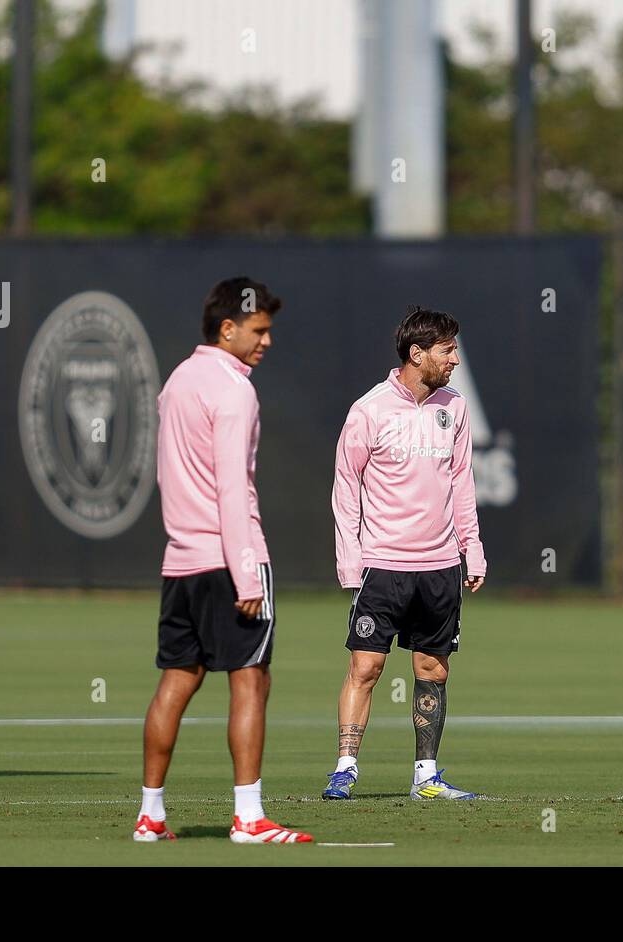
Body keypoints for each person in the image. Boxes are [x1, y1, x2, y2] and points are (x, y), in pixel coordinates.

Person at [133, 277, 310, 845]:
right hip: (230, 559)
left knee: (176, 682)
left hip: (180, 562)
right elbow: (232, 490)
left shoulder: (178, 380)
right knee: (251, 682)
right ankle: (249, 818)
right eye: (259, 331)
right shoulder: (235, 389)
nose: (267, 342)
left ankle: (151, 815)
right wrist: (244, 570)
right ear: (228, 328)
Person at [324, 307, 487, 802]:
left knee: (432, 670)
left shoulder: (454, 407)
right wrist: (349, 559)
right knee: (365, 669)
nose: (455, 359)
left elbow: (461, 480)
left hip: (439, 567)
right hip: (382, 566)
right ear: (417, 354)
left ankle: (426, 777)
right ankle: (346, 768)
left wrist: (471, 549)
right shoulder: (369, 409)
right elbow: (345, 486)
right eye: (447, 350)